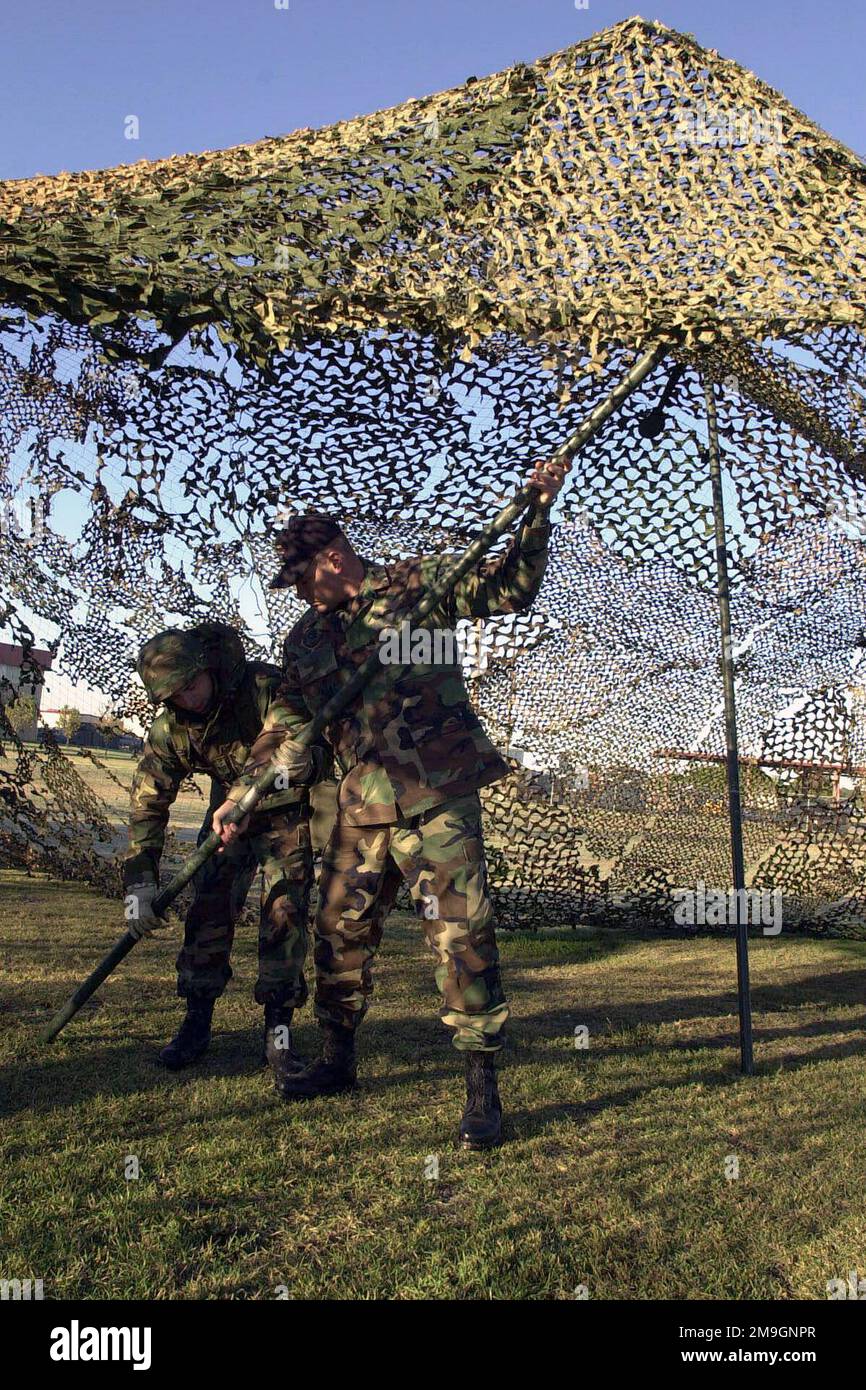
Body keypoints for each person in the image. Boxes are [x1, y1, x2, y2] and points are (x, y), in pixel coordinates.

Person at [212, 456, 570, 1148]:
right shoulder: (308, 638)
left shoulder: (419, 585)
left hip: (438, 795)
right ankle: (337, 1062)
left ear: (332, 556)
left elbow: (511, 588)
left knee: (462, 937)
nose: (299, 594)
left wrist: (537, 511)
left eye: (302, 579)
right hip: (362, 804)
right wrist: (240, 798)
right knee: (338, 937)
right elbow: (285, 728)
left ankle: (481, 1092)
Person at [123, 620, 332, 1087]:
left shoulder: (262, 688)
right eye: (174, 695)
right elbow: (147, 802)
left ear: (208, 668)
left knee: (284, 914)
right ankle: (196, 1021)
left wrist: (244, 794)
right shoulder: (172, 729)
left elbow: (285, 740)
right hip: (226, 822)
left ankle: (278, 1033)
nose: (187, 699)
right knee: (206, 910)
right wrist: (139, 882)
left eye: (191, 686)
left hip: (283, 812)